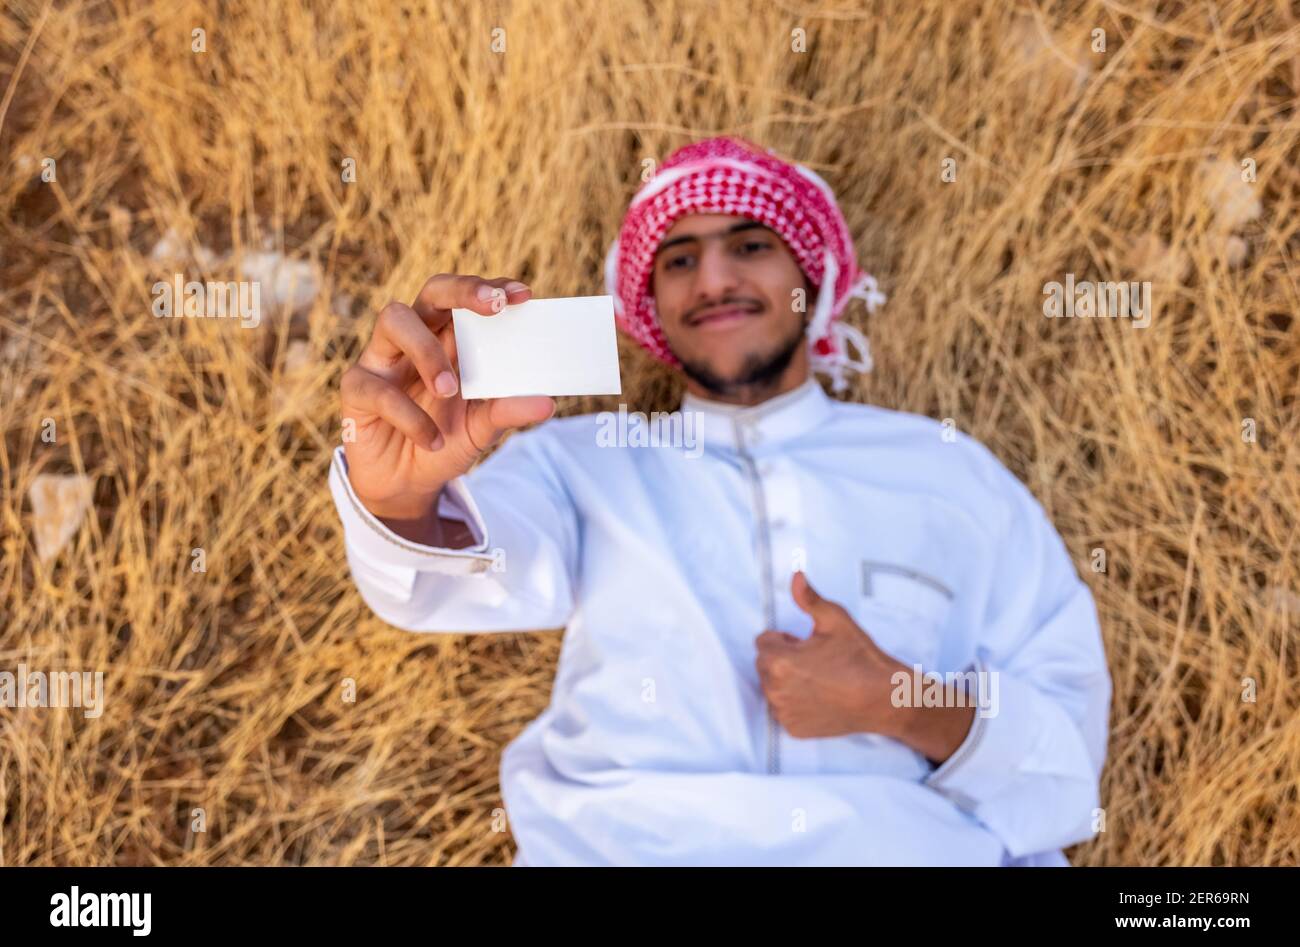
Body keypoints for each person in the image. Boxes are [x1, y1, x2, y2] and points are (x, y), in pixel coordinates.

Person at [329, 136, 1112, 865]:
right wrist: (400, 494)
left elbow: (1064, 767)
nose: (713, 281)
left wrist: (900, 705)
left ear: (809, 277)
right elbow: (443, 575)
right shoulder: (585, 462)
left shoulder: (946, 472)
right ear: (651, 306)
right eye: (678, 261)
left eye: (750, 245)